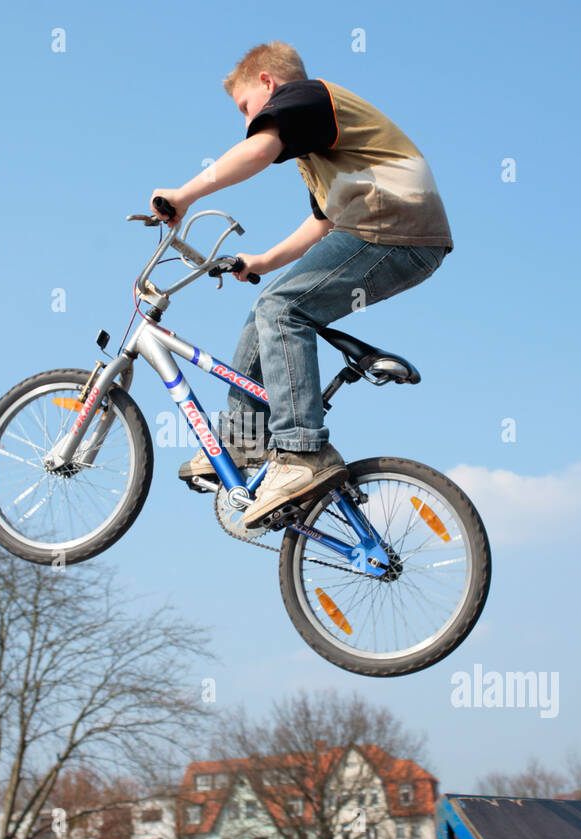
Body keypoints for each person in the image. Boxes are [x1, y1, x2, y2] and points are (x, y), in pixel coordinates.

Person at [150, 41, 452, 528]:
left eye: (247, 107)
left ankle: (300, 453)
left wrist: (182, 194)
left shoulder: (308, 97)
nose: (250, 120)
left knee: (282, 312)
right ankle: (244, 440)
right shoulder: (322, 146)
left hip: (393, 228)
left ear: (268, 83)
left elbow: (258, 150)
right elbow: (321, 224)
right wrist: (263, 261)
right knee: (268, 309)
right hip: (394, 233)